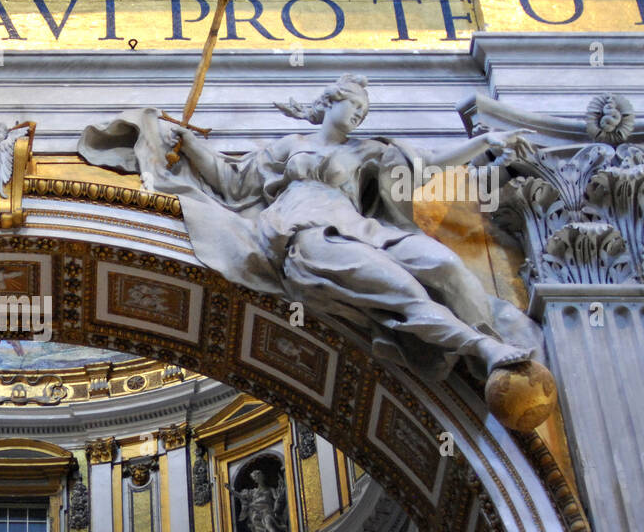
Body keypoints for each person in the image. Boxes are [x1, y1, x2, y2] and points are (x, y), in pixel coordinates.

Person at [79, 74, 541, 379]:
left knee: (445, 264)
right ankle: (481, 348)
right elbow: (233, 182)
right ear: (330, 102)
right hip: (308, 233)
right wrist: (191, 144)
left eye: (364, 109)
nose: (360, 114)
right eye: (354, 104)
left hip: (365, 230)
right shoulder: (288, 147)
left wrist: (483, 139)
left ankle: (493, 339)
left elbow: (430, 164)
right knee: (402, 291)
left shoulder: (369, 151)